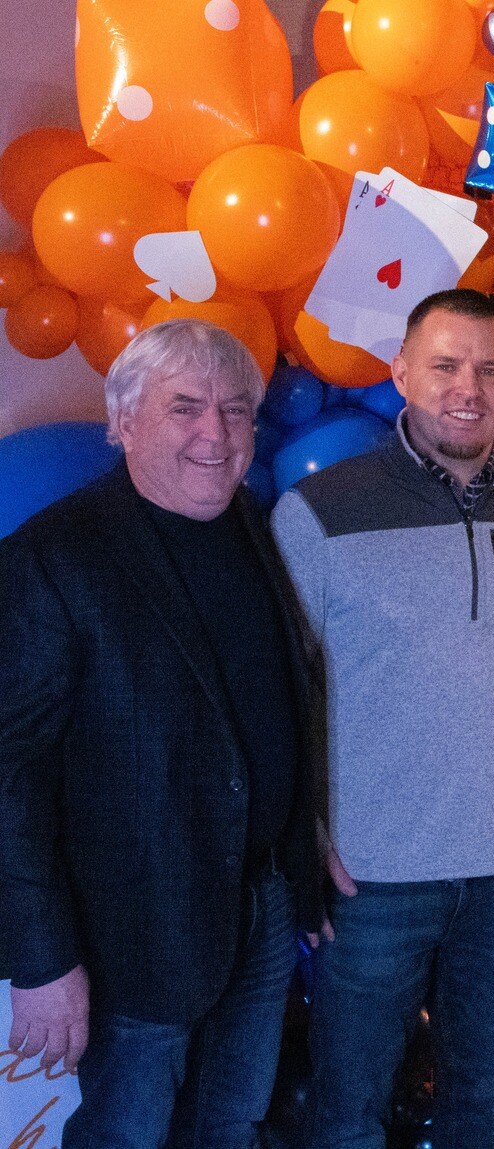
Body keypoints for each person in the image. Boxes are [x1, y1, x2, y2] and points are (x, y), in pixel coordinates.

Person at [0, 319, 324, 1148]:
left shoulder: (245, 518)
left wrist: (300, 859)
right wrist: (41, 959)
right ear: (123, 420)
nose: (215, 432)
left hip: (259, 906)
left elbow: (275, 704)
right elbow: (9, 774)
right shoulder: (52, 557)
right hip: (133, 933)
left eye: (236, 408)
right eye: (185, 407)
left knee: (229, 1125)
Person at [272, 289, 494, 1149]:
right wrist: (304, 834)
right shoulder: (317, 512)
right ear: (400, 373)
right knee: (349, 1108)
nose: (468, 388)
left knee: (486, 1098)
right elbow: (277, 692)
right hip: (369, 876)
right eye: (445, 366)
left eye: (490, 369)